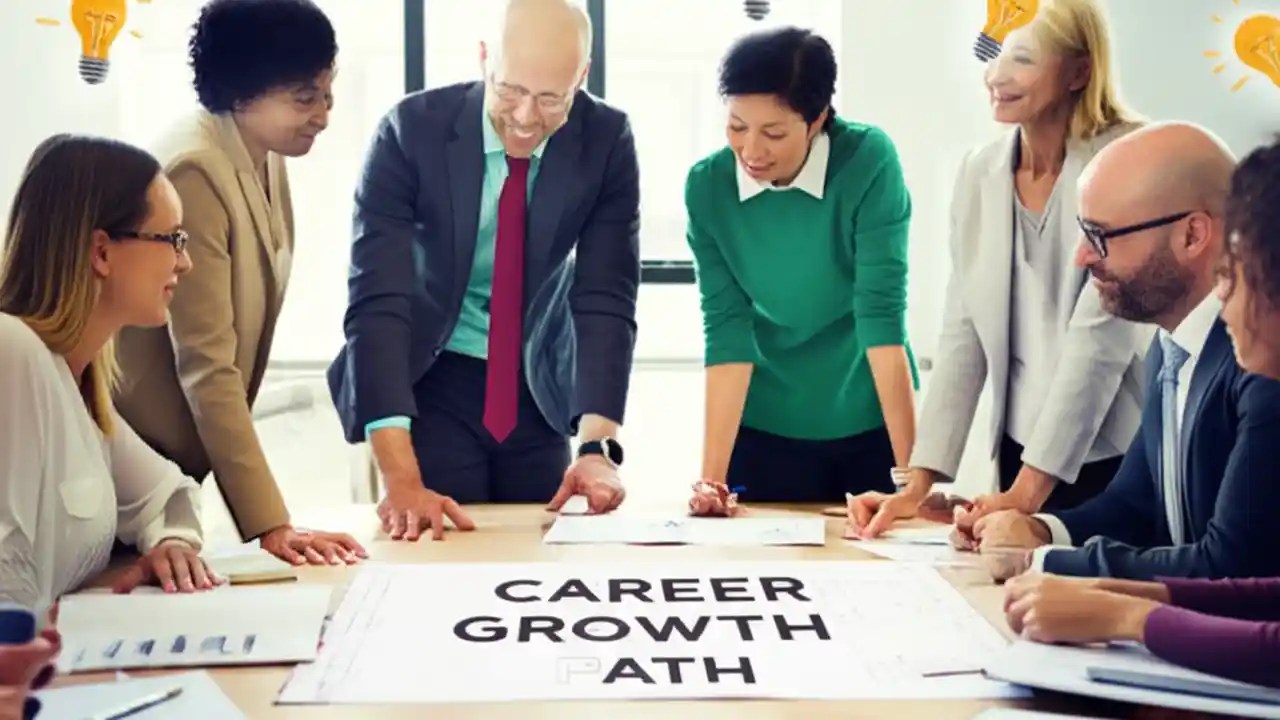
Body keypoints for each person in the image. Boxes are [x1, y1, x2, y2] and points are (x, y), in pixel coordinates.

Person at [327, 0, 640, 540]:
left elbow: (604, 298)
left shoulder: (606, 141)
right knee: (435, 547)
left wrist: (595, 447)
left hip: (535, 382)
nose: (525, 119)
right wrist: (399, 476)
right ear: (483, 59)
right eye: (510, 91)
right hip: (430, 376)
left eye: (550, 99)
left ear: (581, 78)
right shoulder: (411, 132)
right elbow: (379, 302)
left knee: (535, 553)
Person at [848, 0, 1151, 538]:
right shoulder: (979, 171)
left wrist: (1026, 495)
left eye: (1023, 59)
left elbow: (1099, 346)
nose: (997, 76)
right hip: (1017, 453)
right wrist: (917, 485)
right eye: (994, 55)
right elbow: (963, 330)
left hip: (1109, 459)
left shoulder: (1125, 162)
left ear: (1080, 69)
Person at [1000, 137, 1280, 691]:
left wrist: (1125, 614)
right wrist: (1057, 554)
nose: (1221, 293)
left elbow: (1237, 569)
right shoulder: (1168, 348)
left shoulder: (1260, 379)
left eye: (1236, 270)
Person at [112, 0, 366, 566]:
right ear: (240, 92)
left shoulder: (259, 152)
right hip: (129, 469)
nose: (324, 114)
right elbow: (206, 365)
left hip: (172, 467)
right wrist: (272, 525)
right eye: (305, 98)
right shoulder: (194, 171)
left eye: (327, 92)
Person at [683, 27, 916, 515]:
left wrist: (913, 482)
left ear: (817, 121)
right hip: (763, 422)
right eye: (736, 126)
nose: (751, 150)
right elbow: (726, 328)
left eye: (774, 133)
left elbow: (881, 316)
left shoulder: (868, 161)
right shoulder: (708, 188)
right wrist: (711, 481)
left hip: (866, 416)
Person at [0, 135, 220, 612]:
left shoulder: (78, 385)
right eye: (172, 239)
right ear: (101, 251)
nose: (185, 261)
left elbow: (170, 496)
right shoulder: (12, 352)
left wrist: (173, 546)